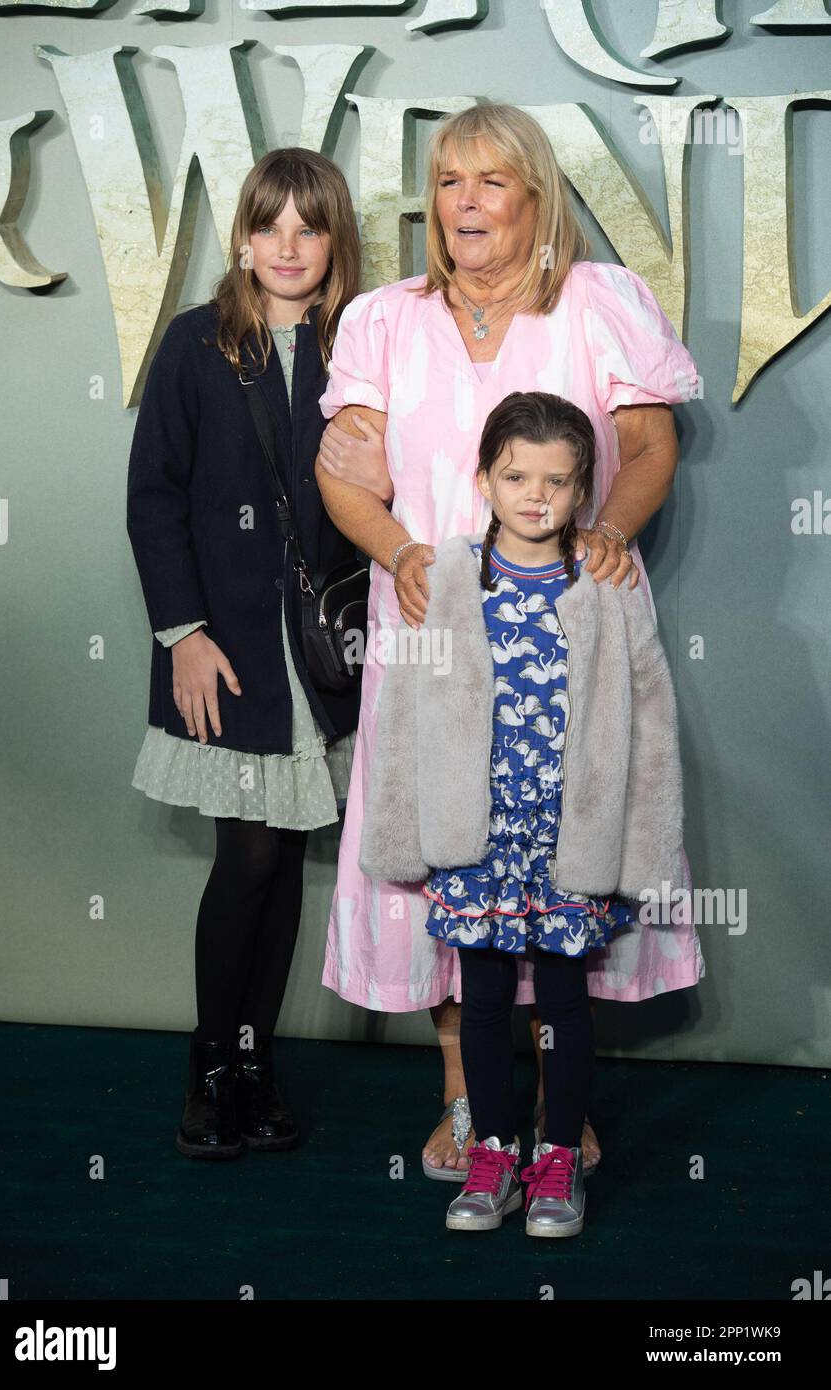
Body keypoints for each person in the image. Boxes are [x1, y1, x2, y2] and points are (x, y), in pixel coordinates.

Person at [314, 102, 704, 1179]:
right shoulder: (384, 317)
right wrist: (400, 554)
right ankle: (466, 1103)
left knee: (559, 859)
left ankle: (553, 1104)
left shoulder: (597, 299)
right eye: (446, 182)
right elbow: (343, 469)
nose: (465, 202)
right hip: (434, 640)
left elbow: (646, 442)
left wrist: (609, 536)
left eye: (490, 180)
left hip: (565, 643)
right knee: (452, 859)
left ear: (536, 195)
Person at [359, 390, 690, 1235]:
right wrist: (401, 830)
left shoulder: (606, 586)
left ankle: (555, 1165)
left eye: (557, 480)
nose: (535, 495)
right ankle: (494, 1155)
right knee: (482, 994)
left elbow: (650, 723)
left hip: (568, 840)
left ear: (584, 490)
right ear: (484, 479)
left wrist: (645, 847)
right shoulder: (449, 579)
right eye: (515, 475)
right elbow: (403, 713)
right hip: (477, 843)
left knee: (566, 1000)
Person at [126, 149, 363, 1159]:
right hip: (224, 647)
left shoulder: (363, 343)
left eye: (308, 228)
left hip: (325, 651)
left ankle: (255, 1064)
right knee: (248, 854)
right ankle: (210, 1069)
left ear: (331, 239)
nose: (288, 247)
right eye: (270, 226)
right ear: (243, 235)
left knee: (287, 860)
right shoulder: (194, 342)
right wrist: (182, 633)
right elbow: (153, 498)